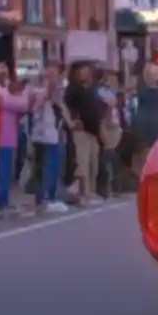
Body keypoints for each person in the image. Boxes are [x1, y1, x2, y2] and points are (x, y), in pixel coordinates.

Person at [0, 63, 31, 216]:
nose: (3, 75)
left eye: (5, 72)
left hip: (10, 134)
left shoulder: (9, 87)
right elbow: (4, 101)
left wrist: (12, 100)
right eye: (0, 72)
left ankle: (4, 201)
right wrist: (13, 100)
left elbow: (24, 104)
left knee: (7, 170)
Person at [29, 64, 68, 213]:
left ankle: (50, 197)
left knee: (53, 166)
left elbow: (62, 108)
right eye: (49, 74)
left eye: (55, 75)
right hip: (40, 134)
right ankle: (44, 199)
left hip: (53, 133)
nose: (53, 78)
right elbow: (32, 107)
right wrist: (47, 93)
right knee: (43, 167)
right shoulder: (36, 89)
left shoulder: (59, 91)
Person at [64, 63, 104, 206]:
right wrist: (74, 119)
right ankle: (83, 193)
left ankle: (91, 191)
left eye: (87, 71)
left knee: (94, 161)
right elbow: (67, 106)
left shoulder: (95, 90)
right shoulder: (72, 89)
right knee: (82, 162)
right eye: (82, 71)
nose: (85, 74)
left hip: (94, 131)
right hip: (81, 130)